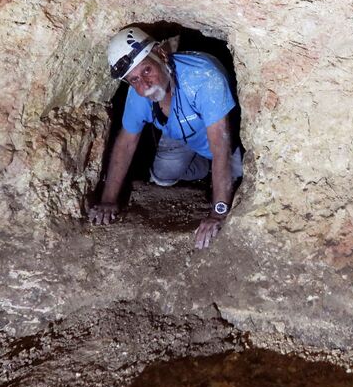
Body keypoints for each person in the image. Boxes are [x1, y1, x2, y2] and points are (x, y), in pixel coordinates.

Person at [87, 26, 242, 249]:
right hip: (184, 137)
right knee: (162, 176)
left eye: (147, 71)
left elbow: (221, 149)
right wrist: (108, 200)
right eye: (134, 80)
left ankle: (219, 179)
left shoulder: (204, 79)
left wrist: (218, 212)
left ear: (161, 54)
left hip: (227, 143)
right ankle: (209, 172)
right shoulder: (139, 94)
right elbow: (126, 143)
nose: (144, 85)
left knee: (234, 189)